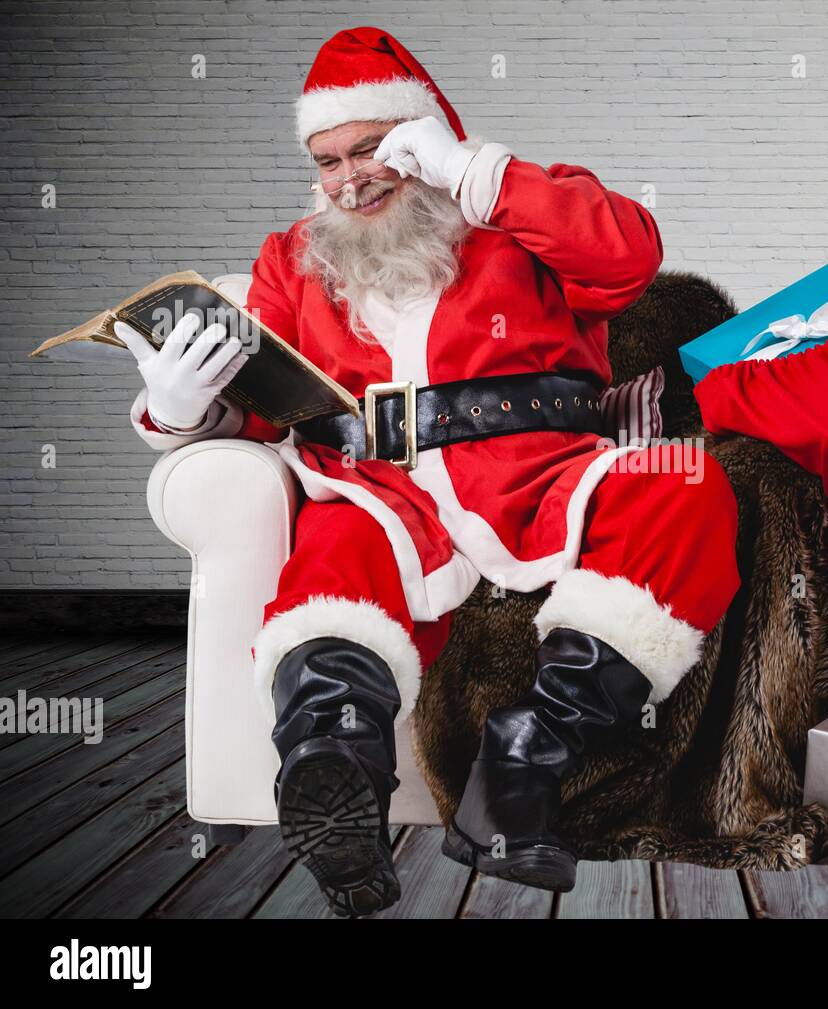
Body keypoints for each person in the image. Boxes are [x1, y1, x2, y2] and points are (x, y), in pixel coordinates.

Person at [124, 26, 741, 916]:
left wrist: (472, 173)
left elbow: (629, 255)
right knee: (335, 557)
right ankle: (333, 773)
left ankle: (526, 759)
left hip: (536, 474)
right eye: (326, 159)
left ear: (422, 136)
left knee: (684, 486)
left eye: (369, 148)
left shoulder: (516, 222)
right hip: (377, 492)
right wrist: (183, 405)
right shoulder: (291, 259)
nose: (349, 178)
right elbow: (260, 400)